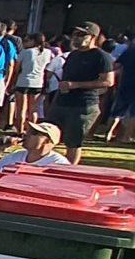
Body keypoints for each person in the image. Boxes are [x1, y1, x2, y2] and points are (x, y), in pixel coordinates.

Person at [49, 23, 116, 163]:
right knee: (49, 136)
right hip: (61, 101)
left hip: (83, 104)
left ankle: (69, 172)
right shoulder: (73, 55)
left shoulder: (102, 57)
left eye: (81, 35)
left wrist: (76, 85)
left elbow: (108, 82)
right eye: (74, 35)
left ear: (93, 37)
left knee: (73, 142)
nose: (76, 38)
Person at [9, 31, 53, 129]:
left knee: (21, 109)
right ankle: (32, 129)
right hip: (38, 83)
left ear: (33, 41)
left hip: (23, 82)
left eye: (27, 41)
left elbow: (17, 68)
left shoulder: (26, 52)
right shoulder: (47, 52)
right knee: (33, 109)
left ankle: (20, 131)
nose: (25, 43)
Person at [0, 121, 67, 172]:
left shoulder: (58, 163)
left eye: (33, 133)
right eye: (28, 131)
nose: (26, 134)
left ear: (47, 141)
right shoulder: (16, 156)